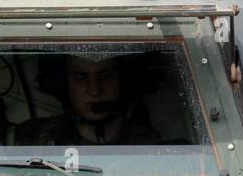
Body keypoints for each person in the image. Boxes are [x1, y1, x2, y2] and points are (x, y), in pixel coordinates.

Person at [15, 55, 161, 146]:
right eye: (80, 77)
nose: (95, 90)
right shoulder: (36, 141)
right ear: (63, 83)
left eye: (106, 75)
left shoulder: (148, 145)